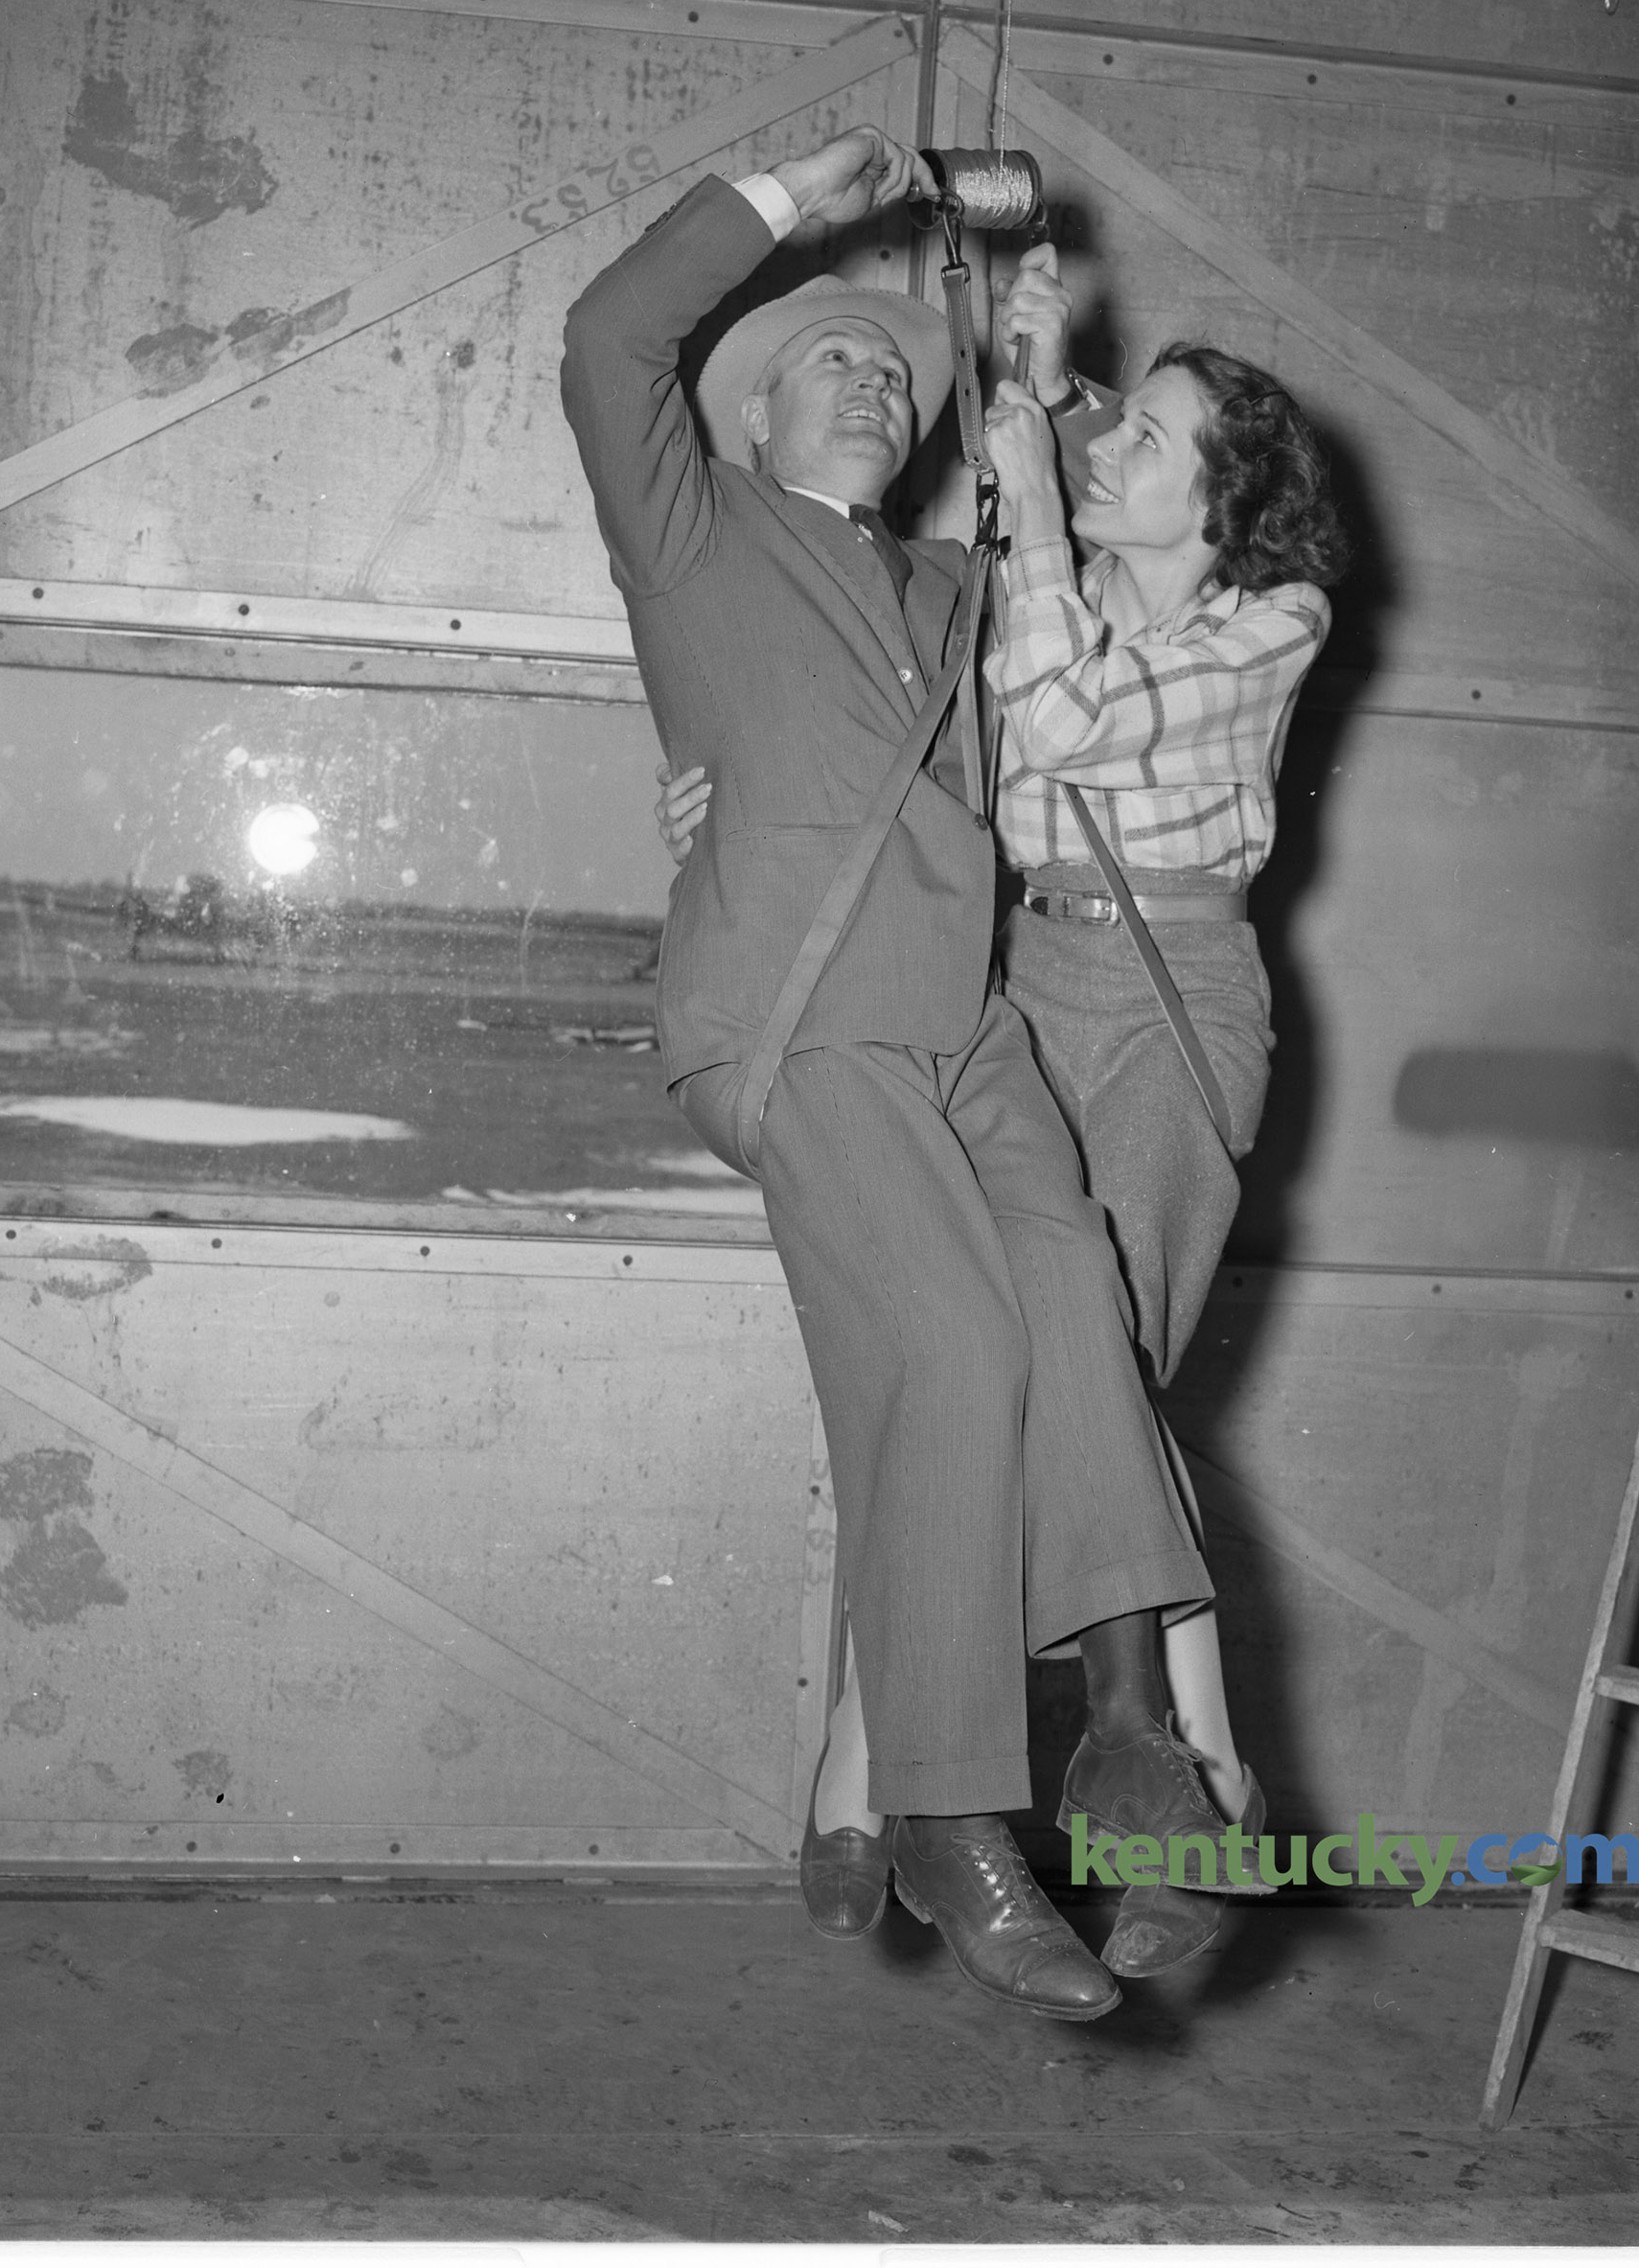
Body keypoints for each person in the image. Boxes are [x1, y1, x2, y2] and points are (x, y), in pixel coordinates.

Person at [562, 125, 1240, 2023]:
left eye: (890, 368)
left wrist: (1038, 348)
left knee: (1074, 1308)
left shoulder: (957, 588)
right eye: (827, 363)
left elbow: (1123, 499)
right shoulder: (694, 535)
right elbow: (607, 336)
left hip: (969, 1026)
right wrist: (806, 195)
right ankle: (945, 1808)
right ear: (752, 420)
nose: (870, 380)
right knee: (949, 1347)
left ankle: (1133, 1737)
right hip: (803, 1027)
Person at [658, 240, 1349, 1978]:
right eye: (1121, 426)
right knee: (962, 1366)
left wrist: (1036, 480)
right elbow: (862, 734)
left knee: (1109, 1374)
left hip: (1173, 994)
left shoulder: (1271, 618)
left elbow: (1068, 713)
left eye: (1152, 441)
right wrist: (722, 799)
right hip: (1006, 980)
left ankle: (1185, 1776)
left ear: (1223, 499)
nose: (1112, 448)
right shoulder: (1025, 584)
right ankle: (932, 1758)